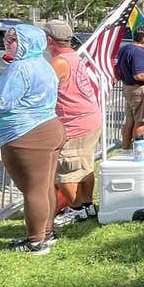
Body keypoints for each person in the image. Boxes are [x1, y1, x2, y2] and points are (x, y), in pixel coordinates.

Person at [0, 24, 66, 254]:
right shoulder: (43, 64)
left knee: (33, 190)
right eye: (6, 38)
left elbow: (2, 104)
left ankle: (35, 242)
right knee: (44, 187)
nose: (7, 42)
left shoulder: (20, 68)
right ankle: (46, 232)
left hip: (27, 134)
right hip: (49, 129)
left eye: (14, 38)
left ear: (29, 41)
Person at [43, 21, 103, 229]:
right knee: (85, 166)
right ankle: (87, 205)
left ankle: (76, 210)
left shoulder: (59, 62)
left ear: (49, 40)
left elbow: (41, 88)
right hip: (90, 119)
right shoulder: (74, 56)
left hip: (74, 123)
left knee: (66, 170)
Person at [116, 29, 144, 150]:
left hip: (129, 88)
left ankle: (126, 149)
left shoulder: (125, 49)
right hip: (139, 90)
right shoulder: (139, 53)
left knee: (130, 121)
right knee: (141, 121)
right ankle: (138, 151)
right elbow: (139, 75)